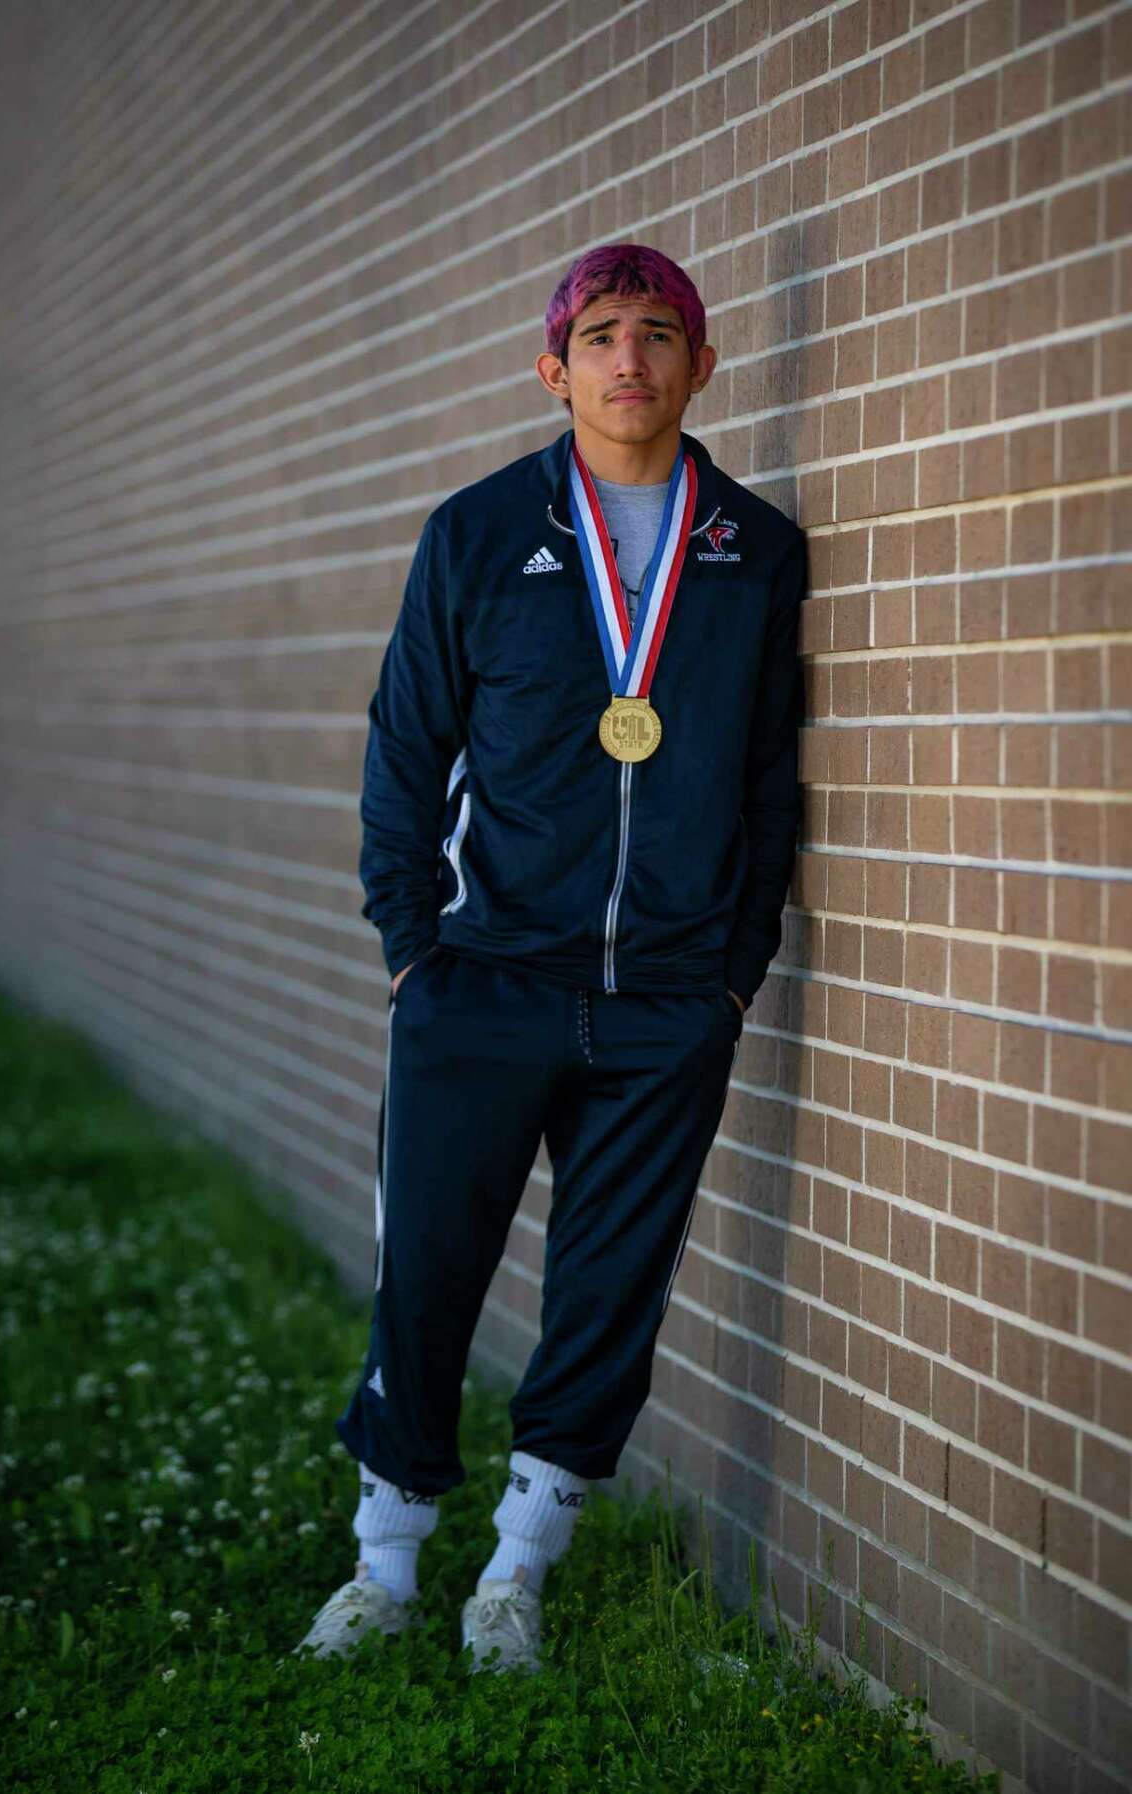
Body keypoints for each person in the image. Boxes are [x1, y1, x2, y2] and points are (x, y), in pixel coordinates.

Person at [292, 243, 806, 1675]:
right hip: (482, 981)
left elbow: (770, 779)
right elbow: (406, 751)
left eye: (658, 334)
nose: (628, 359)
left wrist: (732, 969)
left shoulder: (753, 550)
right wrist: (416, 951)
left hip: (665, 1001)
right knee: (429, 1272)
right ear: (553, 370)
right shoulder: (477, 530)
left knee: (610, 1284)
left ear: (703, 364)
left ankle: (517, 1570)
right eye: (598, 336)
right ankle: (384, 1565)